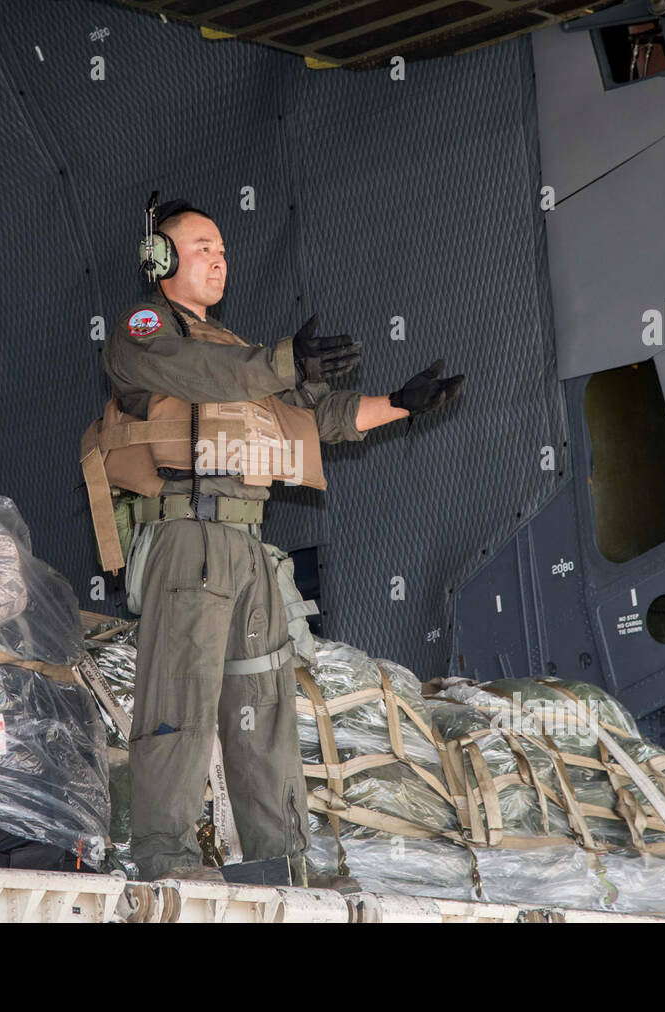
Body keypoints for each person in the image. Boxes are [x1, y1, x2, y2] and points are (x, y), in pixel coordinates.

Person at [84, 197, 462, 883]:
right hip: (185, 539)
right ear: (159, 260)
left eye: (223, 248)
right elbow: (201, 376)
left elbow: (317, 416)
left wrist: (400, 405)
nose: (219, 257)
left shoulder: (242, 353)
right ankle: (164, 859)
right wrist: (284, 359)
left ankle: (280, 861)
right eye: (201, 246)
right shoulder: (144, 331)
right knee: (180, 699)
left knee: (264, 706)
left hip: (247, 547)